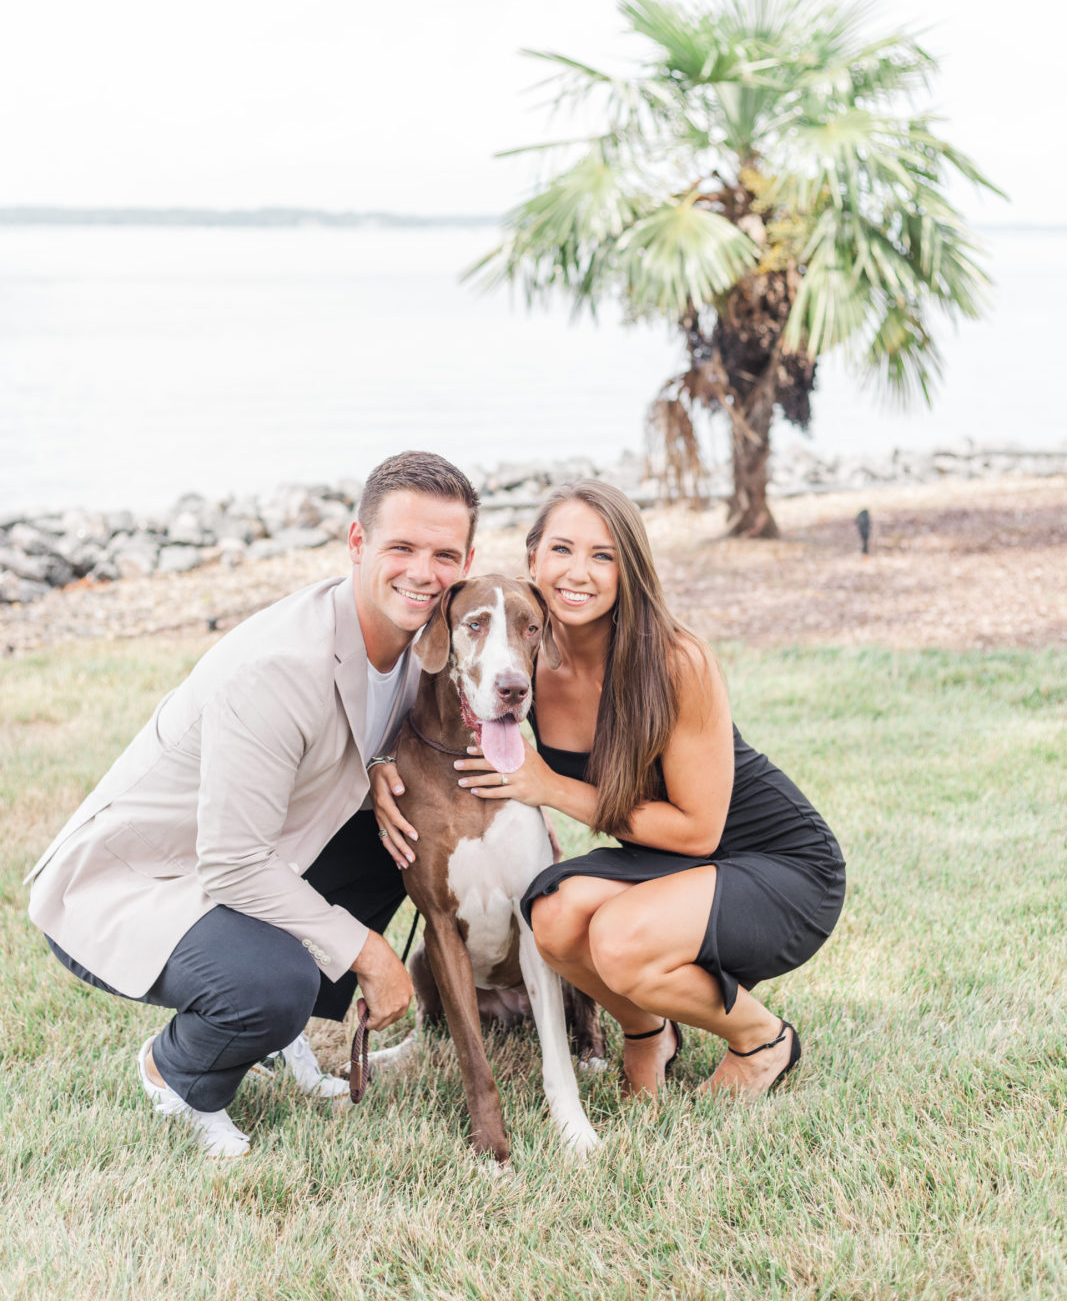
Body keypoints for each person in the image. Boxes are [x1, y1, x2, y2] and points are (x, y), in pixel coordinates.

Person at [25, 451, 478, 1157]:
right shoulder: (280, 665)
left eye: (444, 554)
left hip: (248, 854)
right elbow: (233, 863)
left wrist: (384, 770)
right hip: (138, 880)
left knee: (404, 830)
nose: (424, 572)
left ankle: (283, 1033)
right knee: (272, 982)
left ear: (467, 560)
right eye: (402, 547)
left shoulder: (424, 646)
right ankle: (176, 1072)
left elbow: (363, 736)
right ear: (357, 545)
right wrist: (366, 951)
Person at [411, 479, 845, 1098]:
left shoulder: (676, 660)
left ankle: (763, 1039)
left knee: (615, 939)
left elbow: (699, 831)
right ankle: (649, 1033)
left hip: (774, 865)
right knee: (552, 918)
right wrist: (379, 769)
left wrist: (549, 786)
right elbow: (426, 706)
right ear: (532, 558)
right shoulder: (528, 662)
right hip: (664, 862)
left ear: (629, 570)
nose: (577, 573)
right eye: (561, 550)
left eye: (603, 555)